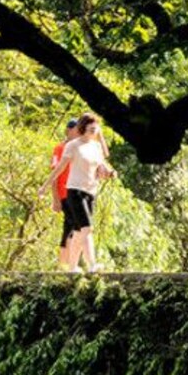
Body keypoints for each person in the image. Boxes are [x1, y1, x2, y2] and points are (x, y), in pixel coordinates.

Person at [42, 113, 117, 273]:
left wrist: (110, 172)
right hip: (75, 191)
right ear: (83, 128)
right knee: (86, 229)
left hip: (91, 191)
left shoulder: (96, 146)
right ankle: (92, 265)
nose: (95, 130)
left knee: (77, 232)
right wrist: (45, 186)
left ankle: (73, 267)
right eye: (91, 128)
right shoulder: (73, 145)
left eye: (96, 128)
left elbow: (102, 165)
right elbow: (59, 168)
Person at [51, 118, 79, 266]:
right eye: (76, 129)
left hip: (76, 192)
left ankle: (64, 263)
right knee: (76, 225)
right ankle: (69, 263)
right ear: (68, 130)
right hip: (64, 192)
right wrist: (55, 198)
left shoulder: (79, 149)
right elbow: (54, 174)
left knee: (70, 226)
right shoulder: (59, 149)